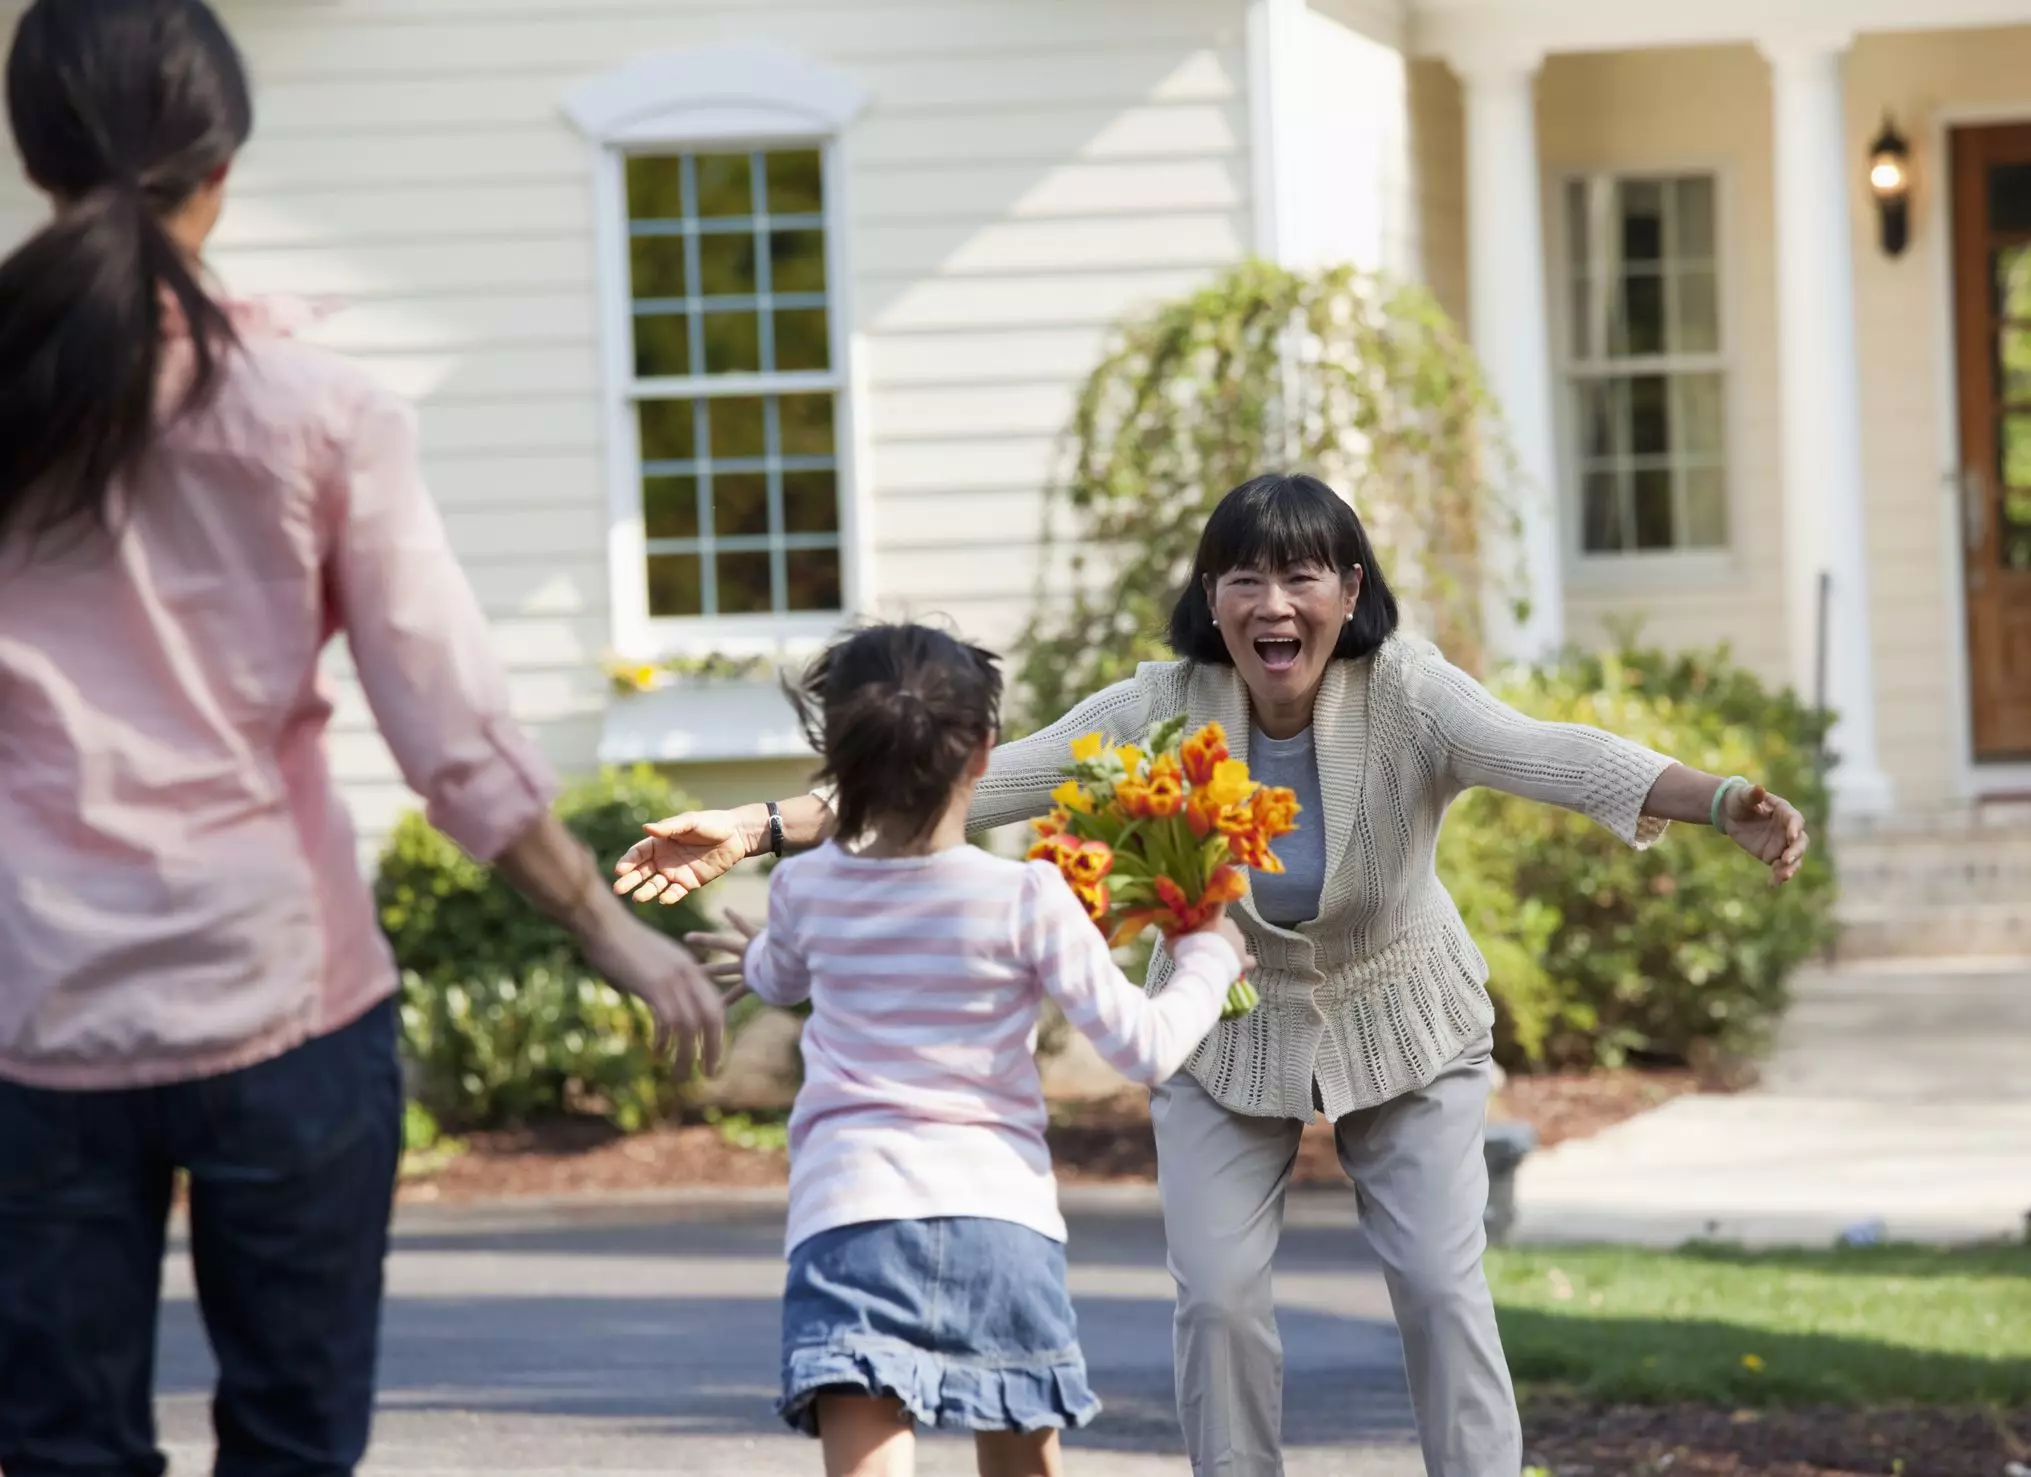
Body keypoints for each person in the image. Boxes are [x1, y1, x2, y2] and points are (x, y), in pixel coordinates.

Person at [618, 474, 1810, 1477]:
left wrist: (1717, 800)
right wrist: (762, 825)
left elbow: (1551, 752)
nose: (1274, 602)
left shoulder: (1409, 693)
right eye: (1245, 577)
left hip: (1405, 1017)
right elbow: (984, 771)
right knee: (1221, 1303)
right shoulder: (1160, 705)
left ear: (1352, 592)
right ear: (1211, 598)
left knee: (1444, 1291)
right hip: (1225, 1034)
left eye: (1305, 576)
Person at [0, 4, 722, 1475]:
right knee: (292, 1450)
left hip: (27, 1018)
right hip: (285, 1006)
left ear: (33, 158)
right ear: (223, 168)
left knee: (58, 1455)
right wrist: (609, 929)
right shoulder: (320, 412)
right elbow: (446, 724)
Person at [684, 622, 1252, 1477]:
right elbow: (1144, 1048)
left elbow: (780, 970)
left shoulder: (802, 886)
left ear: (837, 760)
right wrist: (1208, 955)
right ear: (982, 754)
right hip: (1000, 1219)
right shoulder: (1027, 895)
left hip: (851, 1216)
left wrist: (754, 963)